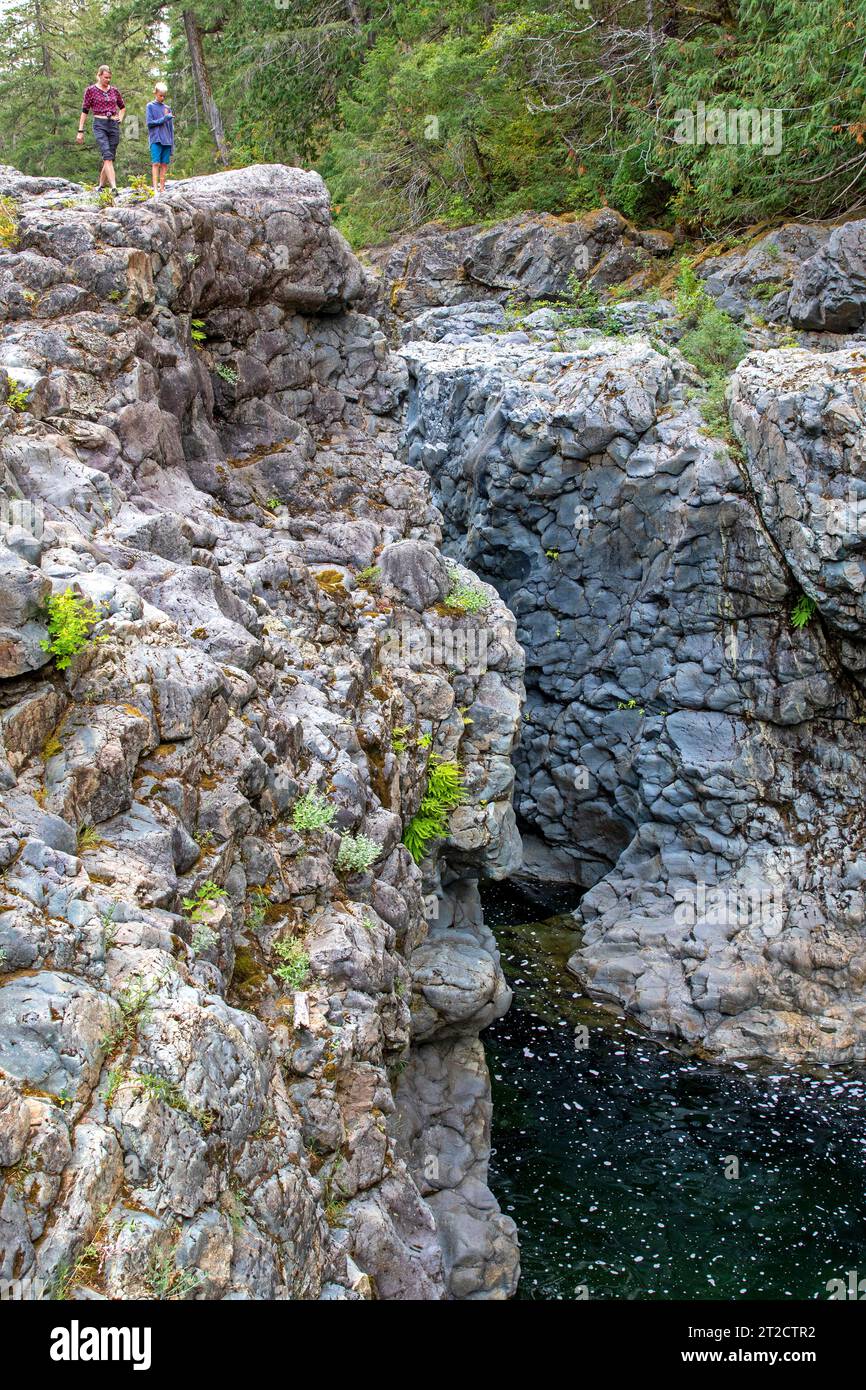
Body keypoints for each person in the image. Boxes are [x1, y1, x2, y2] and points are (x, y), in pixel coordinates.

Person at [77, 64, 125, 194]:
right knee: (107, 155)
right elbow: (85, 111)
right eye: (105, 77)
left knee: (110, 157)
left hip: (113, 125)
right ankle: (114, 187)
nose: (108, 80)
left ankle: (101, 186)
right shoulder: (91, 90)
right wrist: (80, 131)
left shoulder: (114, 91)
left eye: (109, 78)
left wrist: (120, 118)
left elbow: (122, 107)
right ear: (99, 76)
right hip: (99, 124)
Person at [146, 83, 174, 199]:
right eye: (160, 95)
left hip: (167, 139)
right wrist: (164, 119)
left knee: (164, 164)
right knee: (156, 163)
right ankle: (155, 188)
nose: (162, 98)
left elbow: (170, 128)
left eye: (164, 96)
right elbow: (150, 123)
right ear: (155, 93)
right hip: (156, 139)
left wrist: (172, 144)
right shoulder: (150, 106)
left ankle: (162, 188)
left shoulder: (167, 108)